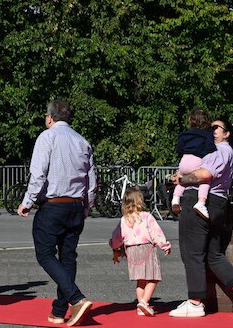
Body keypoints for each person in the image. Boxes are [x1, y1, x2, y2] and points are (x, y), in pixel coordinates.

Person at [16, 98, 96, 326]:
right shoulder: (83, 141)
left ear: (50, 118)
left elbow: (39, 173)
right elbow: (91, 180)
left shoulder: (47, 136)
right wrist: (87, 206)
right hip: (75, 205)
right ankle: (59, 310)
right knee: (68, 257)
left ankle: (76, 298)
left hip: (53, 205)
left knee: (45, 254)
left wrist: (27, 202)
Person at [169, 116, 233, 317]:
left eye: (216, 127)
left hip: (202, 201)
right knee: (213, 255)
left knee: (192, 253)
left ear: (227, 133)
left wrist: (181, 179)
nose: (211, 129)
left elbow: (205, 174)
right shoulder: (228, 151)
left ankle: (195, 302)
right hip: (218, 204)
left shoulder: (220, 150)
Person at [110, 186, 171, 316]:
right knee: (153, 277)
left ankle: (140, 305)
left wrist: (115, 248)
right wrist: (164, 245)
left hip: (131, 251)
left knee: (141, 279)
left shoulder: (124, 220)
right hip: (146, 249)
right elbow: (156, 232)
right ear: (140, 201)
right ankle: (144, 302)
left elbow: (117, 237)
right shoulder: (146, 216)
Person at [171, 109, 217, 219]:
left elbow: (179, 148)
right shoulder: (207, 135)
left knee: (182, 180)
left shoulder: (184, 134)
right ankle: (201, 203)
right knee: (204, 180)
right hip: (197, 159)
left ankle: (175, 199)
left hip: (184, 160)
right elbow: (210, 148)